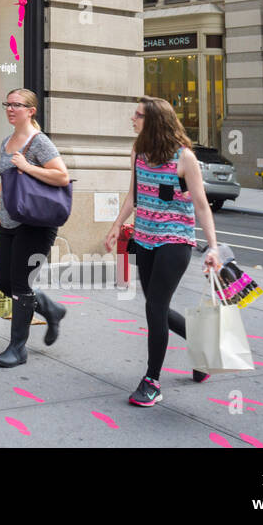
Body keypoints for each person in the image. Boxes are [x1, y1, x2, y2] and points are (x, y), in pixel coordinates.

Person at [103, 96, 222, 407]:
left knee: (155, 307)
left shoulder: (184, 159)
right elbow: (133, 194)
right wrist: (117, 225)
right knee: (156, 305)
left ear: (154, 121)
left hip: (175, 240)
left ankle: (152, 381)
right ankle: (202, 347)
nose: (133, 119)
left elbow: (200, 204)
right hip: (144, 238)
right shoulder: (138, 153)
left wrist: (213, 247)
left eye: (139, 115)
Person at [0, 88, 71, 368]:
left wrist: (27, 165)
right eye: (7, 104)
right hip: (11, 220)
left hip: (36, 223)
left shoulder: (39, 142)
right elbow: (5, 182)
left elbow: (62, 176)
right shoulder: (6, 141)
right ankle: (50, 308)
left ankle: (17, 348)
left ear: (31, 110)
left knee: (21, 284)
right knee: (3, 280)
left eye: (17, 105)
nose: (10, 109)